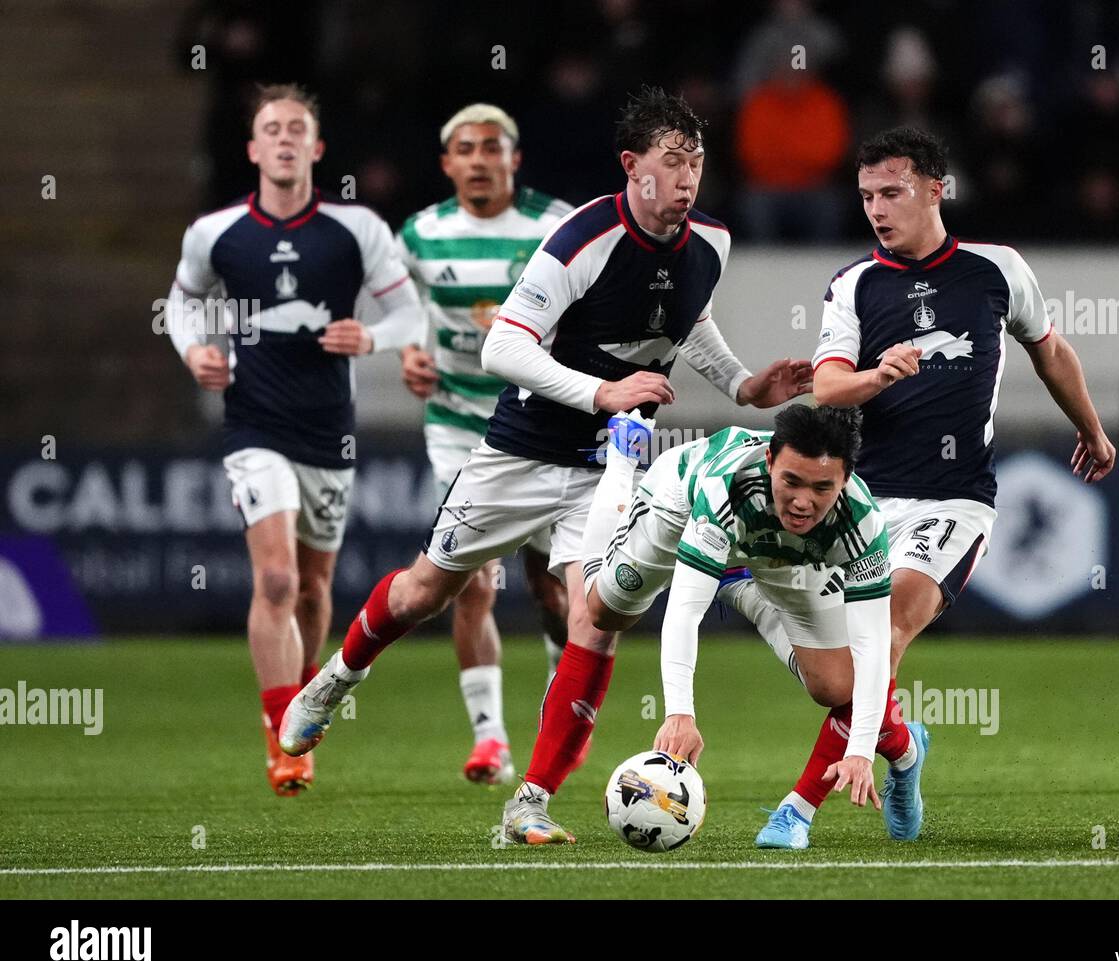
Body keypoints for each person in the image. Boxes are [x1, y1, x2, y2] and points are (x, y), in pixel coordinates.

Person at [277, 86, 812, 843]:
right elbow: (503, 347)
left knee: (592, 615)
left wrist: (745, 385)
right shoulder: (580, 237)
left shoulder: (712, 243)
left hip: (609, 468)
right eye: (672, 160)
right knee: (428, 590)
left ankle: (528, 802)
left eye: (697, 159)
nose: (688, 175)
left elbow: (685, 323)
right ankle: (335, 681)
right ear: (632, 167)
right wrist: (604, 391)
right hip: (521, 451)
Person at [725, 125, 1117, 848]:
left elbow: (1051, 350)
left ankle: (798, 809)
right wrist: (877, 377)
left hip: (954, 500)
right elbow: (828, 387)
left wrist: (1092, 430)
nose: (877, 207)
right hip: (864, 504)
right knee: (833, 682)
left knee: (890, 632)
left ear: (938, 189)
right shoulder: (855, 284)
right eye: (867, 194)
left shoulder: (996, 269)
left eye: (893, 191)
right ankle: (904, 751)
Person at [164, 84, 423, 795]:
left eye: (296, 129)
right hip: (253, 424)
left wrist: (371, 334)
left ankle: (302, 700)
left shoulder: (357, 229)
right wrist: (195, 353)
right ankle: (283, 731)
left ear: (316, 148)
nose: (283, 139)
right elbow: (183, 305)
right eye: (270, 129)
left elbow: (410, 316)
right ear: (252, 149)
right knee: (275, 578)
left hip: (327, 430)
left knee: (312, 590)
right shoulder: (215, 234)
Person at [577, 406, 891, 817]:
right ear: (769, 461)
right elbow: (686, 609)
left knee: (834, 687)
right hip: (682, 505)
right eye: (790, 481)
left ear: (846, 480)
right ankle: (621, 459)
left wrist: (861, 752)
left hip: (777, 549)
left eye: (821, 488)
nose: (802, 502)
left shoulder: (862, 523)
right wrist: (679, 714)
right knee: (604, 612)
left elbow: (873, 642)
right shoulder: (725, 488)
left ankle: (734, 577)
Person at [395, 103, 574, 785]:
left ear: (513, 159)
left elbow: (583, 305)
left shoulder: (554, 225)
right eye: (464, 148)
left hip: (538, 418)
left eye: (491, 147)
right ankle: (491, 740)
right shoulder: (420, 234)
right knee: (471, 580)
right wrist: (411, 353)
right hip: (457, 424)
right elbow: (401, 312)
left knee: (552, 589)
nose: (478, 159)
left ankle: (562, 706)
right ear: (447, 163)